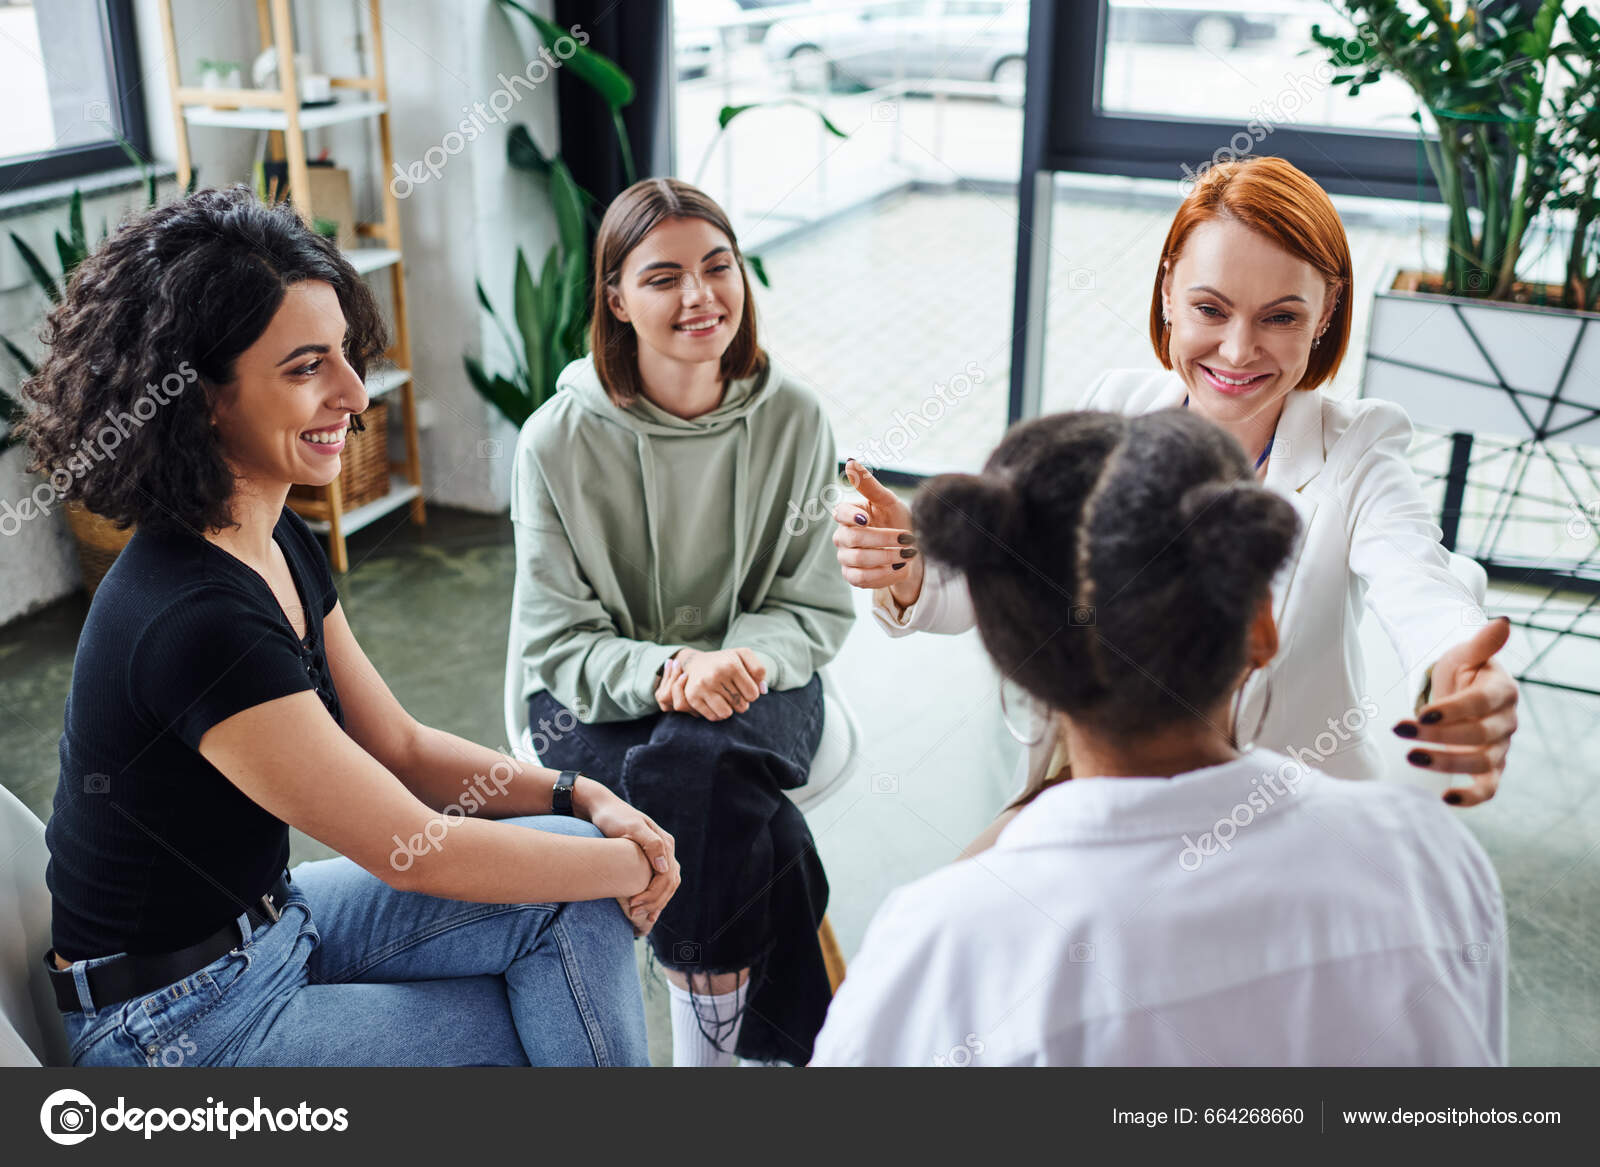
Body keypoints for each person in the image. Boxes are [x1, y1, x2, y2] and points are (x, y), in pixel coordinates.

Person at [19, 186, 677, 1067]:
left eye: (344, 355)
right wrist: (643, 864)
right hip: (175, 1025)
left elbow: (398, 747)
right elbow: (412, 848)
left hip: (276, 923)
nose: (355, 393)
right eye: (305, 368)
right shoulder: (193, 619)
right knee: (543, 1013)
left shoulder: (274, 531)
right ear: (202, 397)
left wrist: (580, 797)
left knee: (575, 879)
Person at [832, 156, 1518, 843]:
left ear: (1327, 312)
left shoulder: (1358, 447)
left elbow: (1419, 582)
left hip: (1272, 819)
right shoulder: (1112, 408)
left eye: (1280, 316)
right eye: (1210, 308)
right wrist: (910, 569)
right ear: (1167, 291)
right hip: (1098, 784)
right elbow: (1019, 583)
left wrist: (1456, 665)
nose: (1239, 349)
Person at [810, 408, 1507, 1066]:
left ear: (1011, 652)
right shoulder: (1428, 858)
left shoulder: (940, 946)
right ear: (1263, 625)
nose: (1238, 348)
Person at [509, 177, 855, 1066]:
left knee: (692, 765)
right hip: (595, 692)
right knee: (743, 813)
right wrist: (670, 671)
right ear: (616, 299)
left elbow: (813, 603)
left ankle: (703, 1056)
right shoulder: (554, 440)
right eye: (664, 277)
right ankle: (772, 1053)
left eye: (718, 267)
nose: (701, 297)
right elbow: (557, 640)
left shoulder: (797, 416)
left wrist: (733, 662)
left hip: (759, 672)